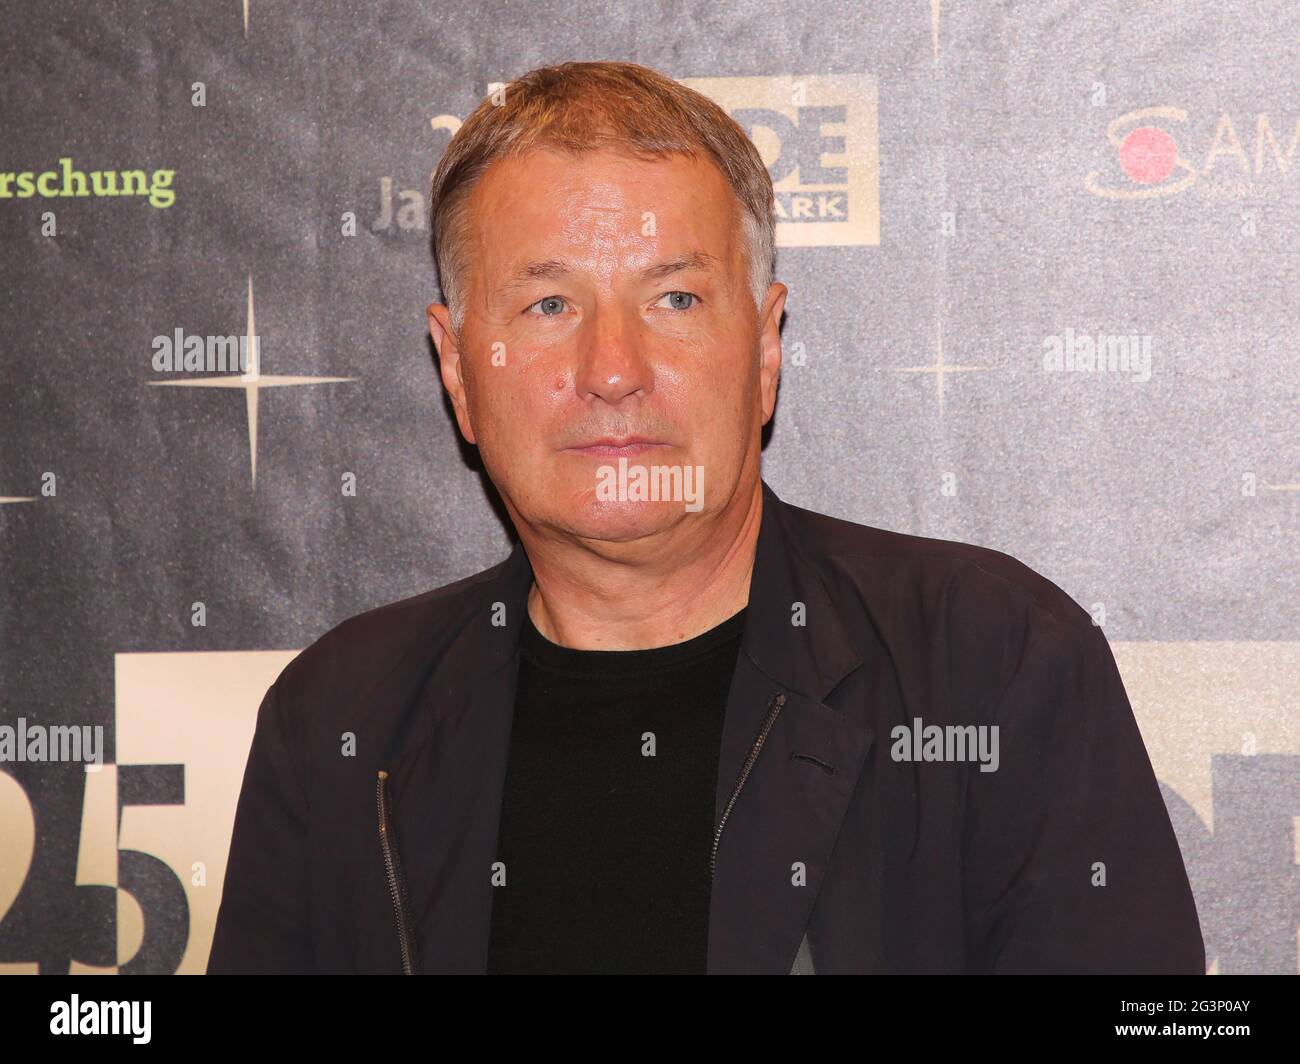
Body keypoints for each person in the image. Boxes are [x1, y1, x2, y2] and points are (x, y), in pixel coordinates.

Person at [206, 60, 1205, 974]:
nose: (612, 371)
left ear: (766, 349)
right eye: (547, 306)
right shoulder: (341, 716)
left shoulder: (991, 658)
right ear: (459, 366)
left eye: (675, 299)